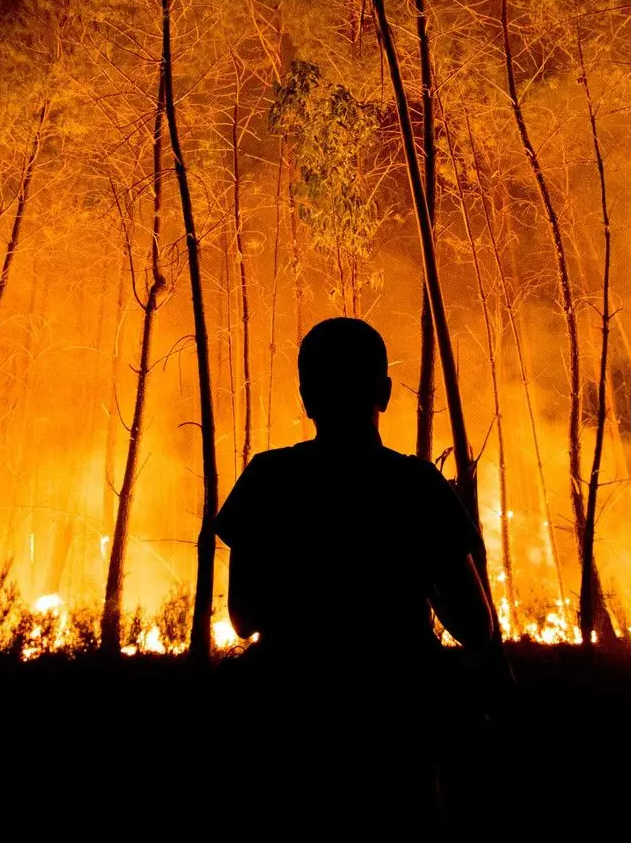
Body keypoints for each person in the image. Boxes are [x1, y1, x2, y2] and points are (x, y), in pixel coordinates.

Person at [212, 317, 497, 821]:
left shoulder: (268, 479)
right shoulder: (417, 485)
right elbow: (475, 625)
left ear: (306, 397)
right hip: (398, 720)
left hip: (290, 718)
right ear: (384, 391)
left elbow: (243, 617)